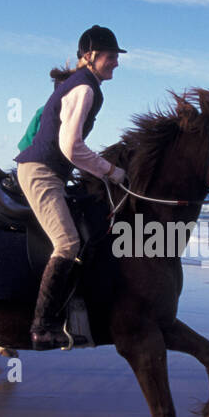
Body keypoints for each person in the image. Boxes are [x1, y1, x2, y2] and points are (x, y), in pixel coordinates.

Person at [15, 25, 129, 350]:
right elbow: (71, 147)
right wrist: (110, 171)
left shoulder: (82, 84)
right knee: (67, 244)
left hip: (51, 172)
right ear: (91, 57)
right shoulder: (85, 89)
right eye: (111, 57)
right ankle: (42, 325)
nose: (116, 63)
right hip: (41, 173)